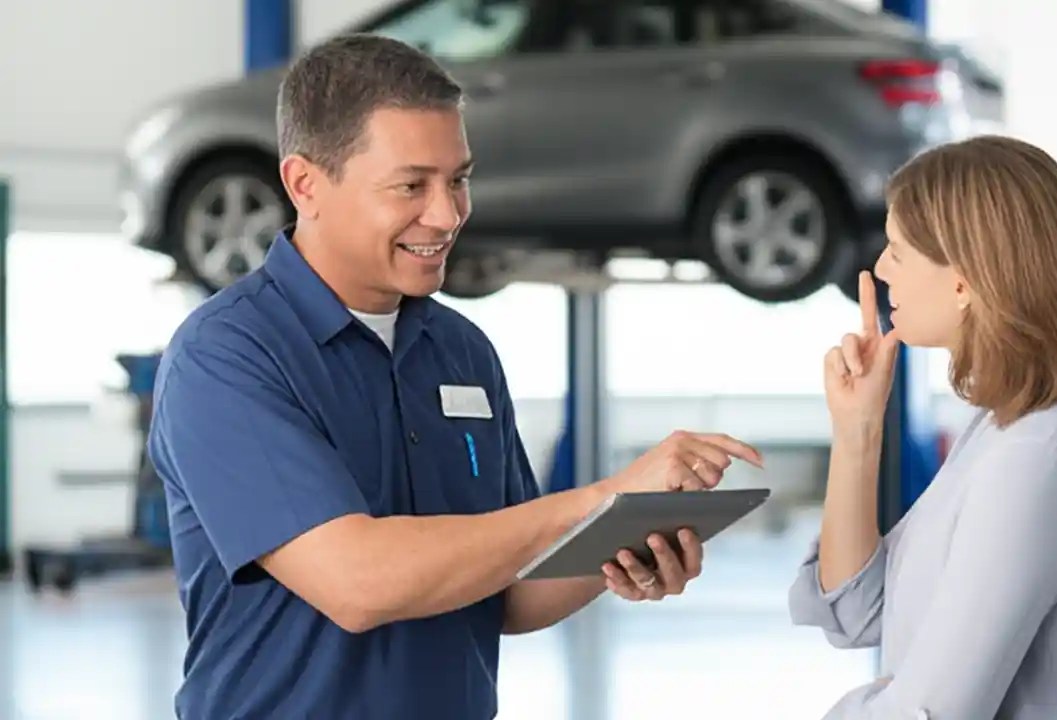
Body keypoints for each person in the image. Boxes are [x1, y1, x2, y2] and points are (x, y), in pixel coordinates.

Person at [146, 34, 763, 720]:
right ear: (305, 184)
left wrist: (621, 545)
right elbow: (359, 582)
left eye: (459, 179)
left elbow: (513, 592)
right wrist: (603, 497)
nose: (447, 215)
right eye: (412, 185)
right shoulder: (227, 355)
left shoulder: (461, 350)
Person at [789, 135, 1057, 719]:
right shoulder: (1010, 427)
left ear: (963, 282)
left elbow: (931, 712)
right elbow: (859, 611)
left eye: (898, 251)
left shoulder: (1040, 456)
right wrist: (858, 430)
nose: (881, 268)